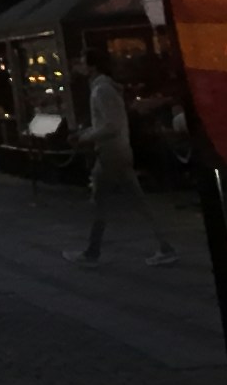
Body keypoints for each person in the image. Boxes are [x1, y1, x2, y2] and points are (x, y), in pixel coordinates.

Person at [72, 64, 178, 268]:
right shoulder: (106, 89)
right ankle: (165, 245)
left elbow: (110, 125)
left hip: (110, 152)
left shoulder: (101, 90)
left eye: (83, 62)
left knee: (101, 203)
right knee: (132, 201)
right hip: (116, 150)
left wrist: (86, 137)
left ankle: (92, 252)